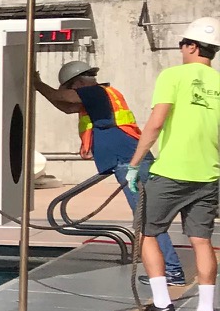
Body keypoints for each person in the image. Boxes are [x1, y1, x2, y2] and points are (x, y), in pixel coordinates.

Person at [34, 58, 184, 284]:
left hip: (129, 163)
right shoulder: (102, 96)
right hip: (128, 161)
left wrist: (36, 83)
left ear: (77, 84)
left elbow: (61, 98)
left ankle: (172, 270)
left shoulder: (95, 92)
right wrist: (42, 89)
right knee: (147, 219)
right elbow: (65, 106)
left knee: (147, 220)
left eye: (69, 87)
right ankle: (170, 268)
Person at [130, 18, 220, 311]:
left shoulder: (173, 76)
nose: (181, 49)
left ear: (192, 46)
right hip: (209, 175)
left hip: (171, 172)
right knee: (202, 240)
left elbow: (156, 123)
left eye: (183, 44)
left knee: (146, 234)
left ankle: (163, 306)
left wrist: (135, 163)